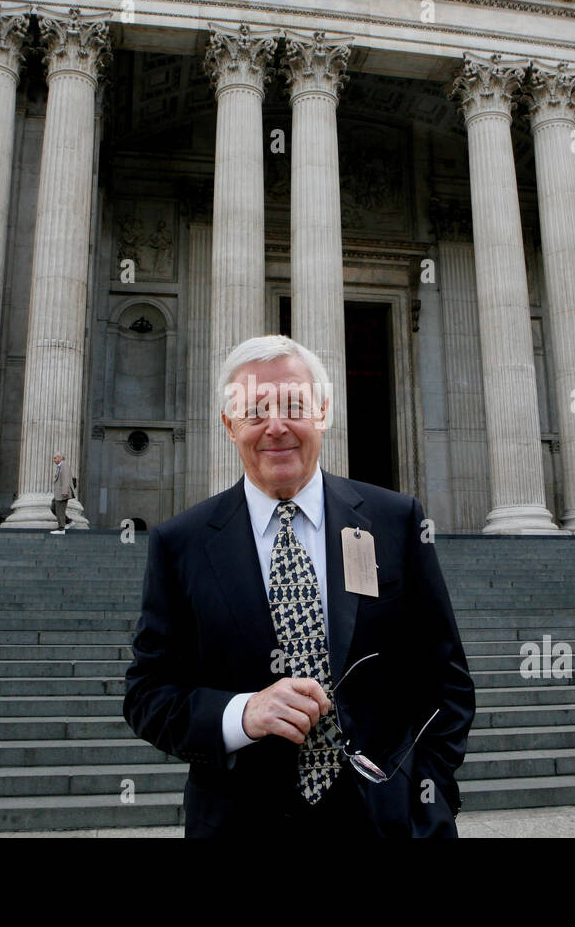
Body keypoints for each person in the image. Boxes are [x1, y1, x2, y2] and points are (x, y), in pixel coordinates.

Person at [124, 335, 475, 837]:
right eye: (255, 411)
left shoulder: (395, 522)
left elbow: (447, 680)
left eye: (294, 405)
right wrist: (243, 714)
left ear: (324, 413)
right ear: (229, 426)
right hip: (241, 824)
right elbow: (147, 695)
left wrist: (430, 799)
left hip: (387, 824)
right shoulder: (180, 543)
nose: (276, 426)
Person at [50, 452, 73, 536]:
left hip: (62, 493)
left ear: (60, 458)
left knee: (60, 510)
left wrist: (64, 491)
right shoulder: (60, 466)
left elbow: (66, 479)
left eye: (55, 458)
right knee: (53, 507)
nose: (54, 460)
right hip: (58, 493)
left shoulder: (64, 465)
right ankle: (68, 521)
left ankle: (61, 528)